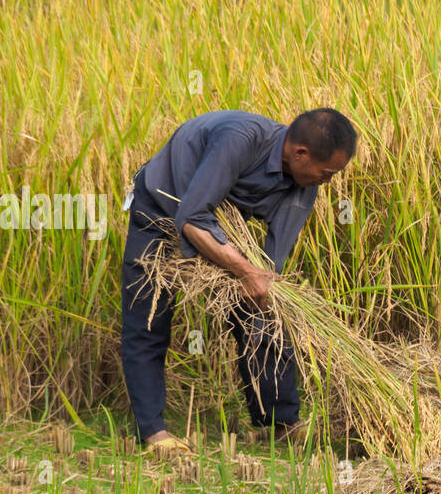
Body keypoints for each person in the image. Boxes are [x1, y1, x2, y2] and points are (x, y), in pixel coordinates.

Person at [120, 107, 356, 454]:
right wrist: (245, 271)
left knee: (263, 309)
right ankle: (154, 433)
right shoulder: (240, 138)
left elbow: (269, 265)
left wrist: (259, 279)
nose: (328, 181)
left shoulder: (305, 185)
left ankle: (280, 422)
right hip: (162, 211)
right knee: (148, 315)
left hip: (220, 226)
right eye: (327, 173)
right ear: (300, 153)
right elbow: (193, 218)